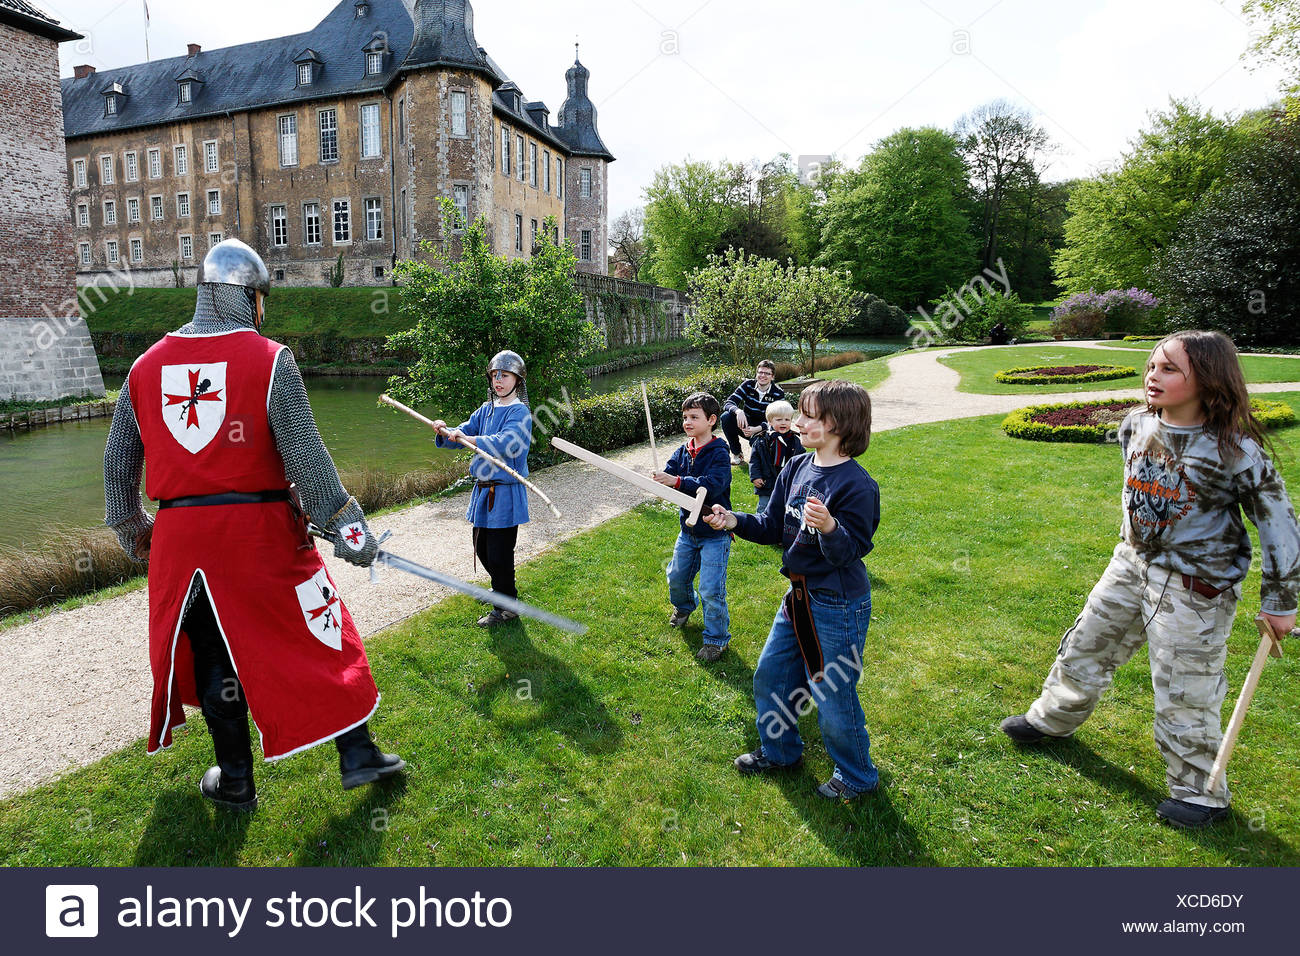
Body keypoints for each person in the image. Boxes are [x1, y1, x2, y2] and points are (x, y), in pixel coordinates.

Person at [103, 238, 403, 812]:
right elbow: (308, 463)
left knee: (214, 658)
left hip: (182, 545)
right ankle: (357, 754)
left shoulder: (144, 368)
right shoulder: (269, 359)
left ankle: (237, 781)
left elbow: (118, 465)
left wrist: (132, 527)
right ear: (250, 298)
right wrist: (349, 528)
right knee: (318, 630)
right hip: (260, 537)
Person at [1001, 330, 1300, 829]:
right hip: (1130, 564)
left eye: (1169, 369)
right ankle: (1052, 720)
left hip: (1196, 588)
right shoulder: (1136, 424)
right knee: (1086, 644)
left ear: (1208, 379)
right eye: (1151, 366)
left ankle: (1200, 794)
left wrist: (1281, 602)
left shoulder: (1236, 451)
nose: (1152, 377)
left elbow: (1281, 528)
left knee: (1186, 687)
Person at [705, 379, 880, 801]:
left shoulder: (857, 486)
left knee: (831, 693)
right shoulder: (797, 467)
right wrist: (733, 520)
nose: (798, 422)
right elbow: (771, 526)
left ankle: (857, 776)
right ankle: (780, 752)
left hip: (838, 604)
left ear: (839, 424)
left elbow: (850, 552)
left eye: (809, 415)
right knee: (772, 675)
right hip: (797, 597)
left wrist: (830, 528)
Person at [431, 350, 533, 627]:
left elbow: (506, 442)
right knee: (483, 549)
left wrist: (471, 438)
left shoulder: (520, 412)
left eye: (505, 375)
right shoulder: (486, 409)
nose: (498, 380)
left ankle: (507, 606)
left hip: (505, 492)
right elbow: (462, 432)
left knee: (500, 553)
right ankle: (501, 588)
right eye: (495, 375)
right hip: (483, 492)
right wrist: (444, 430)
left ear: (517, 380)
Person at [653, 392, 734, 662]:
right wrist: (660, 479)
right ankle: (685, 606)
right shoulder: (682, 450)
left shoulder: (719, 452)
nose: (687, 422)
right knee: (676, 577)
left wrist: (677, 482)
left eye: (694, 417)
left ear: (711, 420)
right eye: (685, 417)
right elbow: (669, 474)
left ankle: (715, 640)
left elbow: (714, 484)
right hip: (688, 532)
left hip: (715, 533)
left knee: (711, 589)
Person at [721, 360, 786, 467]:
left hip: (764, 429)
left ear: (772, 376)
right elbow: (728, 403)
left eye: (767, 373)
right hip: (745, 423)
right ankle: (737, 453)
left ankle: (759, 449)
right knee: (726, 417)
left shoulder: (778, 393)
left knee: (760, 459)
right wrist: (738, 411)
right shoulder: (748, 385)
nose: (762, 376)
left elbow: (778, 420)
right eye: (760, 372)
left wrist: (757, 429)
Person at [748, 399, 805, 514]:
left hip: (788, 481)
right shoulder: (762, 440)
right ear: (770, 422)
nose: (783, 423)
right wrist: (755, 476)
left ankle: (784, 522)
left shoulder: (794, 440)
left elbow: (801, 460)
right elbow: (754, 460)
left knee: (787, 507)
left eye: (787, 419)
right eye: (779, 420)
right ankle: (762, 522)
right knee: (764, 506)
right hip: (767, 481)